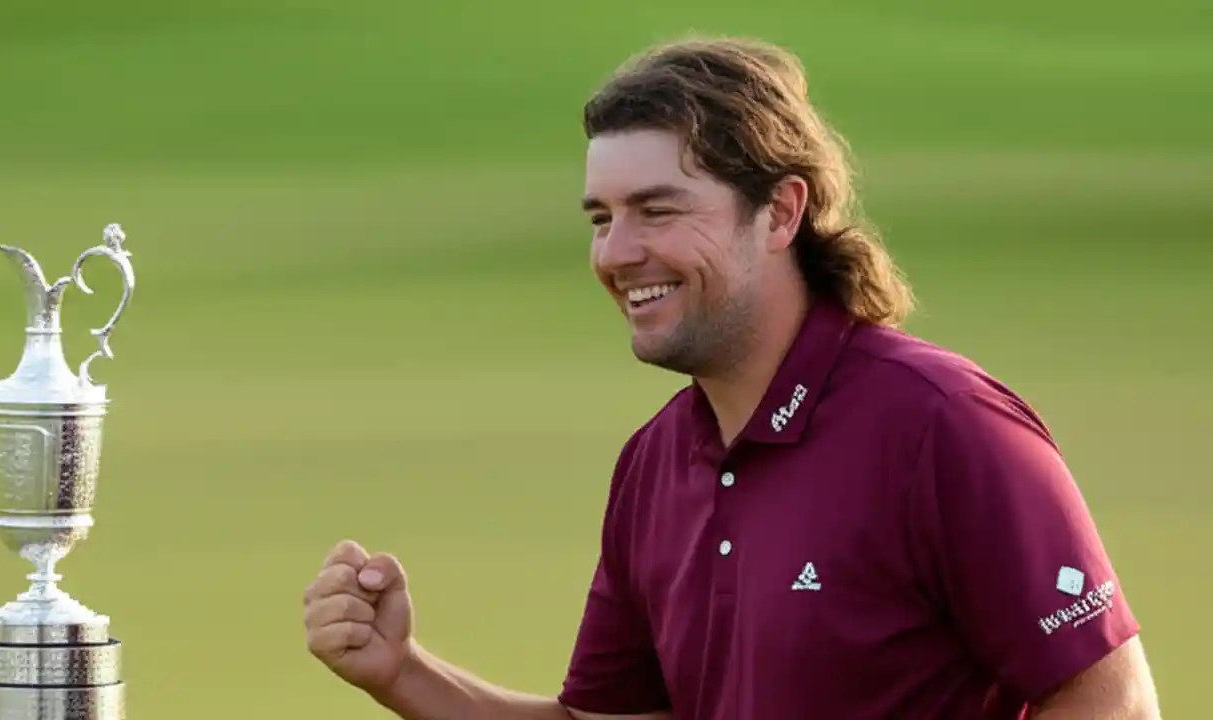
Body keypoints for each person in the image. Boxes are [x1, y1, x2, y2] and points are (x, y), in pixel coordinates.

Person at [301, 36, 1161, 718]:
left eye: (658, 210)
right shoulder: (654, 464)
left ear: (780, 212)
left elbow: (1110, 700)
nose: (617, 253)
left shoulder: (940, 423)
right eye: (601, 218)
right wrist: (402, 673)